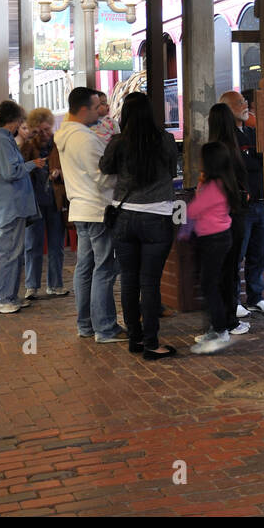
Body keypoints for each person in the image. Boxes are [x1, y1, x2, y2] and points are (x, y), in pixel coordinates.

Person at [100, 91, 178, 360]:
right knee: (150, 282)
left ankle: (134, 339)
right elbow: (171, 172)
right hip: (157, 217)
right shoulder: (165, 140)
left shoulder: (118, 142)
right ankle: (151, 343)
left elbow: (105, 167)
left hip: (124, 217)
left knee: (129, 280)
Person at [55, 87, 125, 341]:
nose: (101, 111)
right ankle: (105, 328)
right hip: (97, 209)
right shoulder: (83, 138)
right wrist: (123, 177)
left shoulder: (68, 134)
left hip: (81, 208)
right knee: (104, 269)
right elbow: (102, 178)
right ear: (84, 109)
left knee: (85, 268)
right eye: (97, 107)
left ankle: (86, 325)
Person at [0, 100, 41, 314]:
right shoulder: (0, 141)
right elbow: (10, 172)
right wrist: (32, 165)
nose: (20, 126)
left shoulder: (3, 140)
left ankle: (9, 295)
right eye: (19, 122)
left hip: (12, 206)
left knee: (14, 253)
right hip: (9, 206)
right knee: (7, 253)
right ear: (13, 121)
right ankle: (0, 298)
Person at [189, 143, 247, 354]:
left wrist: (184, 232)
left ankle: (220, 330)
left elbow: (194, 209)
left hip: (212, 240)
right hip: (221, 238)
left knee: (209, 285)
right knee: (213, 283)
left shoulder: (213, 187)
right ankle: (216, 327)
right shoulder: (225, 183)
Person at [221, 89, 264, 315]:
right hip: (240, 207)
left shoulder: (252, 132)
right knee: (236, 254)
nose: (245, 104)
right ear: (227, 109)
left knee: (258, 254)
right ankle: (234, 301)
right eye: (239, 102)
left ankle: (256, 296)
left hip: (261, 202)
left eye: (245, 101)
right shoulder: (225, 139)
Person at [206, 102, 249, 337]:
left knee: (218, 272)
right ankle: (230, 319)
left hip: (218, 219)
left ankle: (222, 322)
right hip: (238, 214)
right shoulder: (236, 147)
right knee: (232, 268)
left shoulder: (213, 149)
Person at [19, 107, 67, 300]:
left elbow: (69, 168)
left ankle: (55, 285)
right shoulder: (28, 147)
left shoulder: (59, 145)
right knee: (32, 246)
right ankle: (32, 286)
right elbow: (19, 171)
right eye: (40, 130)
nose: (44, 134)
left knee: (57, 245)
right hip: (35, 203)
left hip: (55, 202)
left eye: (47, 129)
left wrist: (60, 173)